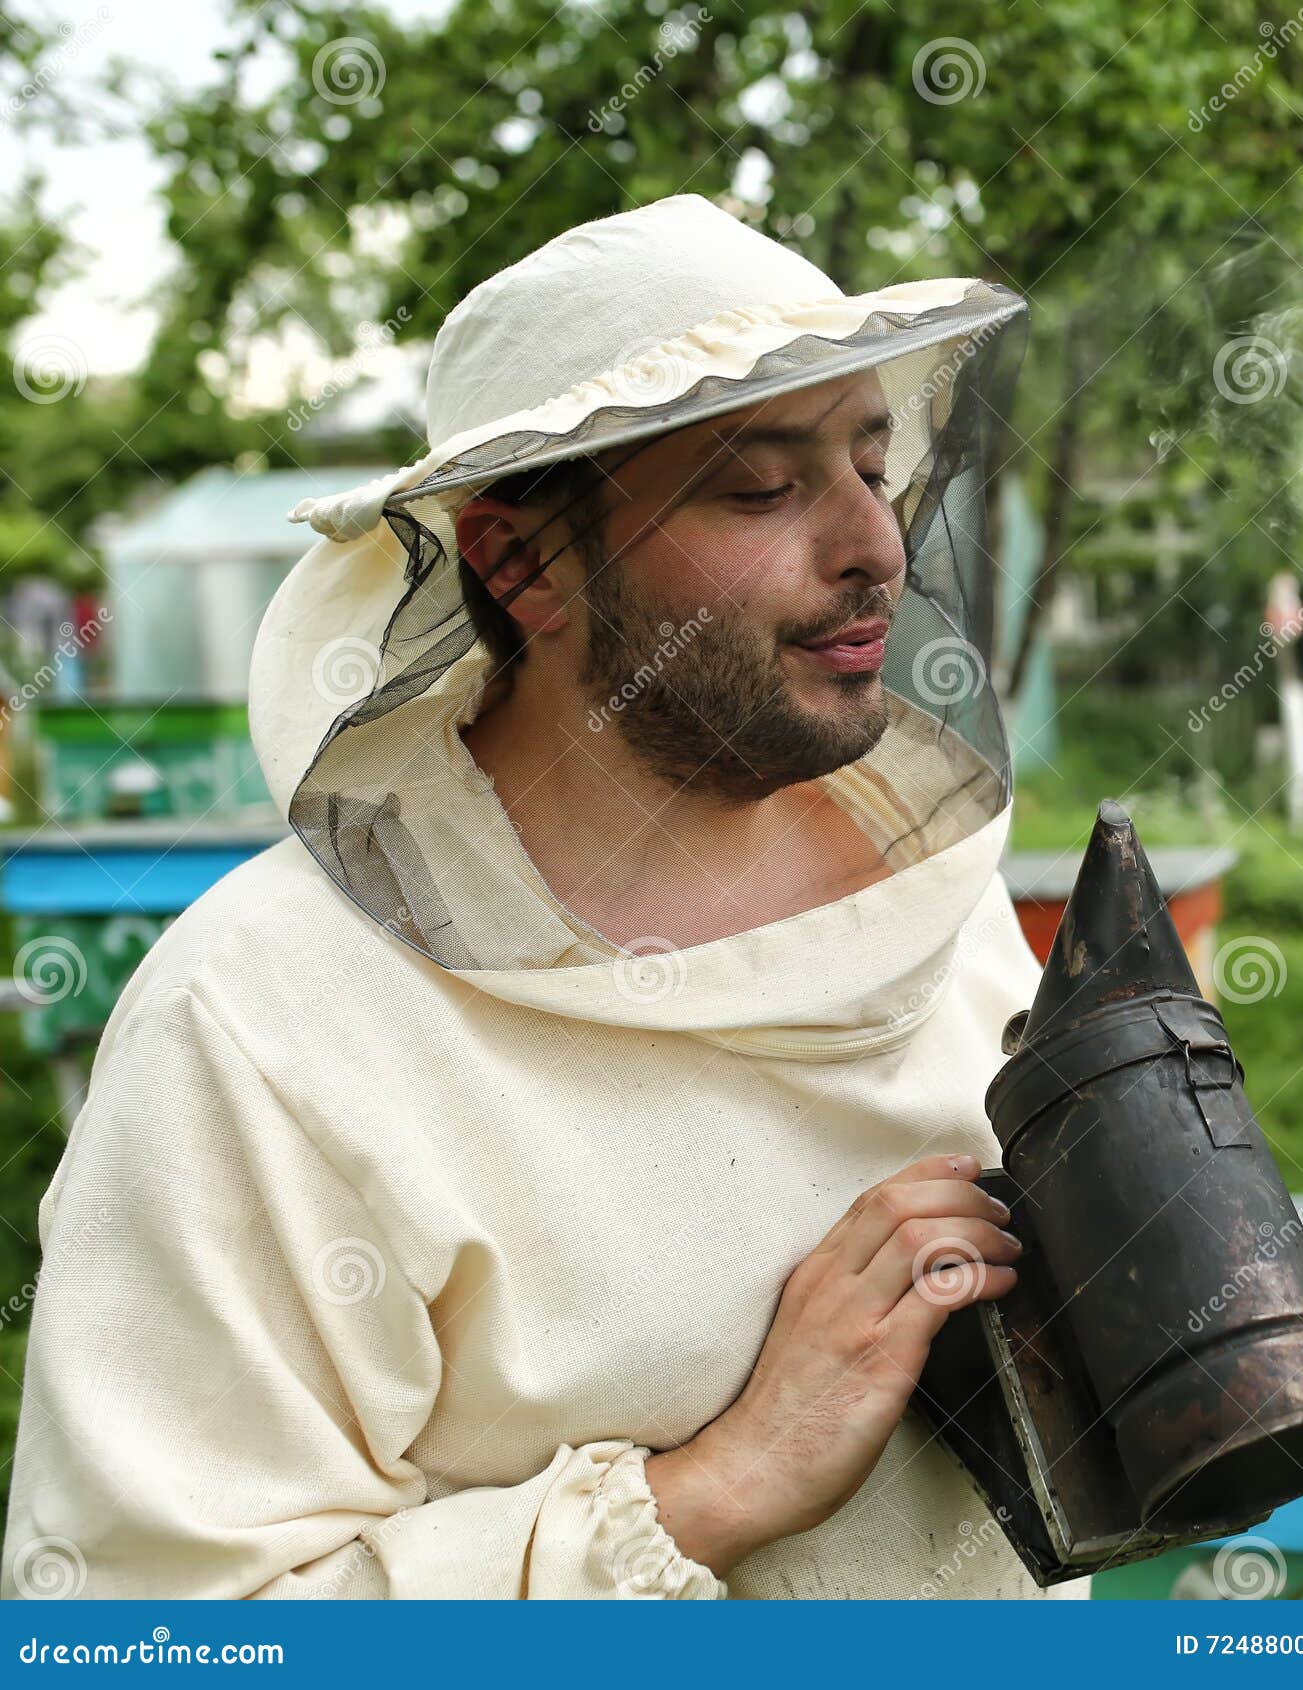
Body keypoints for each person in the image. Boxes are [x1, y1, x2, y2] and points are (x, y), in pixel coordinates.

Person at [2, 194, 1090, 1600]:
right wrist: (715, 1489)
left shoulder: (935, 896)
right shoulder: (259, 1022)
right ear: (519, 561)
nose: (871, 542)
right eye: (761, 487)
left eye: (871, 466)